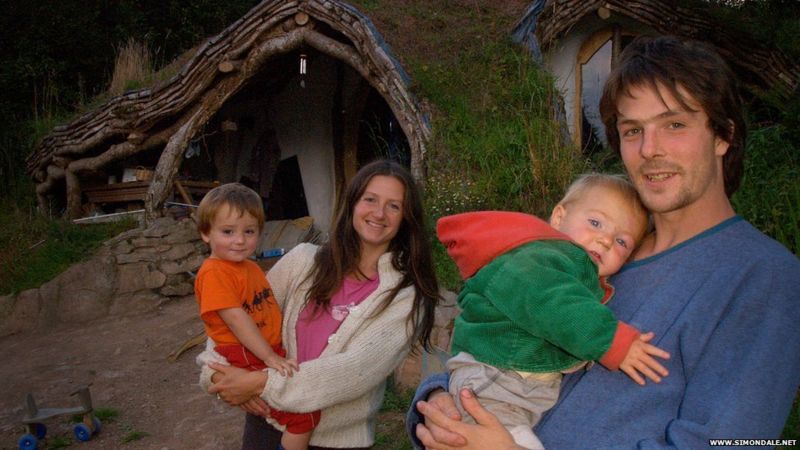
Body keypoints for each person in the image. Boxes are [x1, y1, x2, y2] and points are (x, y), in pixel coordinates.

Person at [408, 35, 800, 449]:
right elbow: (503, 337)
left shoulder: (765, 278)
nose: (650, 149)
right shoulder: (599, 248)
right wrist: (440, 400)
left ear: (722, 135)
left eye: (675, 125)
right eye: (633, 130)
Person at [198, 159, 440, 449]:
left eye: (394, 206)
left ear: (406, 218)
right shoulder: (302, 261)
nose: (379, 213)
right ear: (352, 203)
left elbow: (355, 370)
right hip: (266, 422)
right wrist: (217, 374)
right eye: (370, 199)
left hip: (335, 441)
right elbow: (236, 318)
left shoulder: (406, 297)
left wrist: (258, 383)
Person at [440, 174, 669, 449]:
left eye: (622, 241)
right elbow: (553, 303)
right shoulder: (542, 258)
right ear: (559, 217)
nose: (606, 240)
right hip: (494, 380)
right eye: (595, 223)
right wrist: (613, 341)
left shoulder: (575, 272)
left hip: (511, 386)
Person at [194, 183, 311, 450]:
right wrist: (269, 357)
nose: (240, 240)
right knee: (302, 417)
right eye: (228, 232)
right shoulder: (214, 272)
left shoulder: (248, 267)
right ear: (205, 233)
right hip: (246, 353)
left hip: (262, 350)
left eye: (249, 231)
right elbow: (236, 319)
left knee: (297, 412)